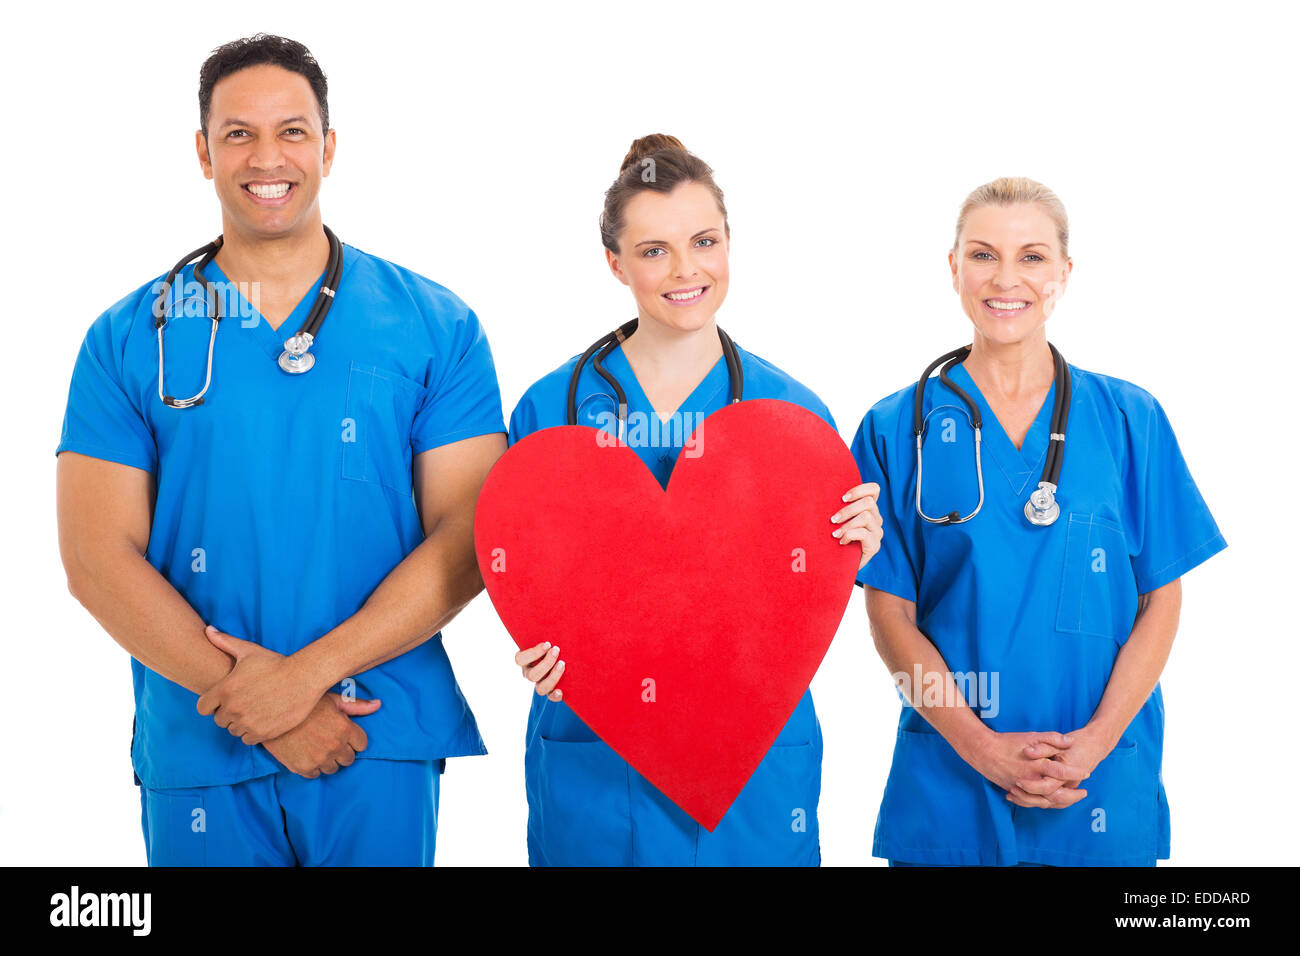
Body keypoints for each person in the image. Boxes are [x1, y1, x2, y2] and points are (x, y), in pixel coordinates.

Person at [55, 34, 506, 866]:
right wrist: (260, 704)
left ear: (329, 146)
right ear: (203, 152)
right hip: (204, 741)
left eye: (293, 131)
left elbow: (469, 540)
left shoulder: (436, 324)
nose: (269, 157)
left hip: (378, 731)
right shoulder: (128, 337)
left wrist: (305, 681)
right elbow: (94, 557)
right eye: (239, 134)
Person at [508, 134, 881, 866]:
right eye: (654, 250)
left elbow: (800, 599)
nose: (686, 270)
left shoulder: (793, 415)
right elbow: (520, 570)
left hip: (754, 766)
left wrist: (852, 547)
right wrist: (534, 649)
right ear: (614, 263)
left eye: (704, 241)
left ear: (731, 244)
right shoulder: (551, 408)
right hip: (595, 757)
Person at [852, 177, 1226, 866]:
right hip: (951, 787)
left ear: (1063, 273)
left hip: (1098, 786)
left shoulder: (1128, 420)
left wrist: (1094, 744)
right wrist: (983, 750)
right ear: (954, 267)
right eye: (983, 255)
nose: (1006, 279)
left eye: (1031, 257)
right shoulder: (893, 427)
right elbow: (888, 617)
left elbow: (1161, 599)